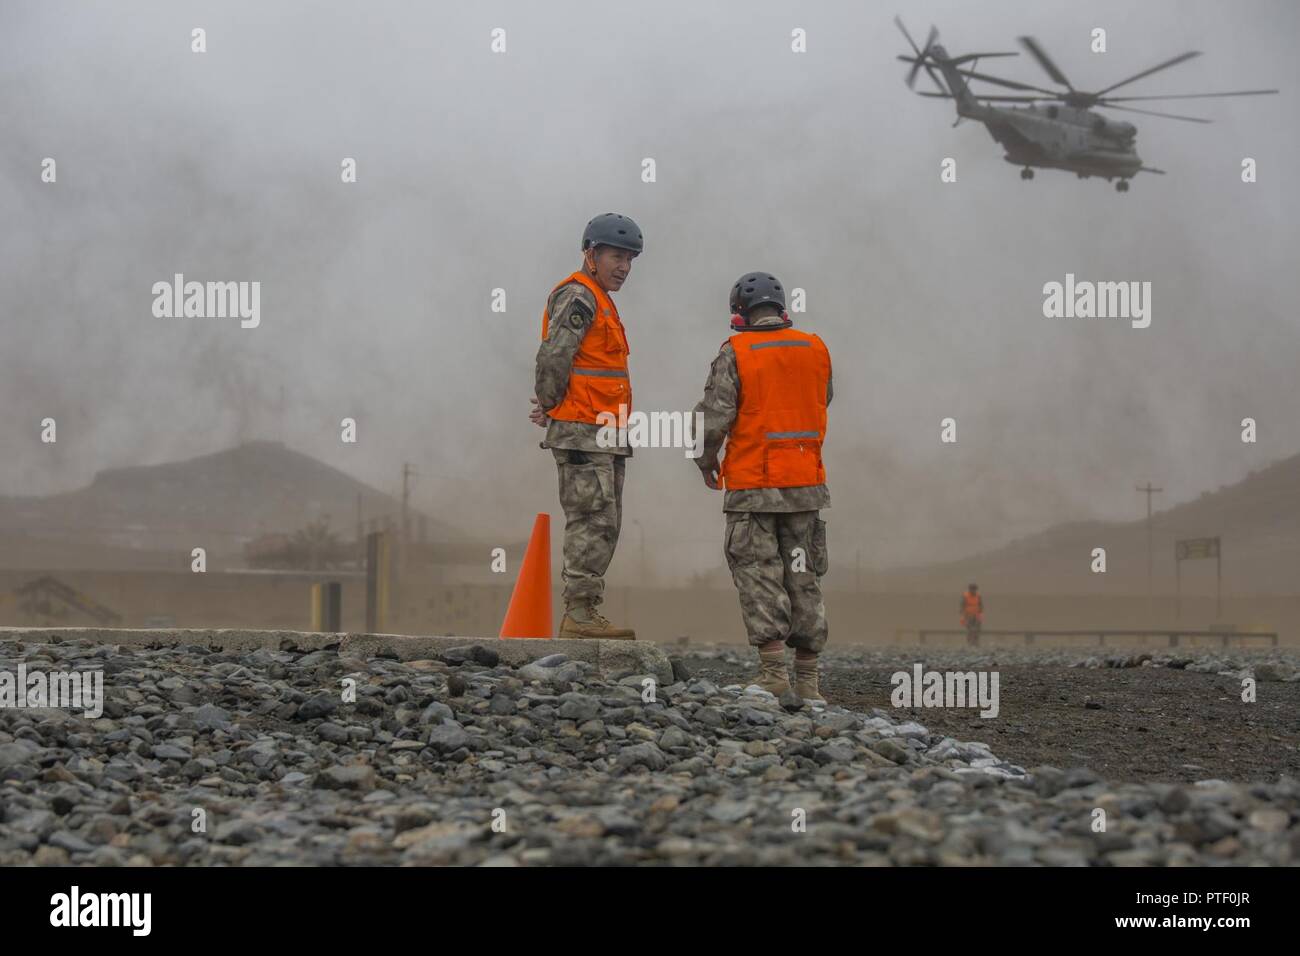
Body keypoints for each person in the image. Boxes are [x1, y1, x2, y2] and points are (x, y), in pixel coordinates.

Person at [692, 272, 832, 704]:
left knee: (758, 574)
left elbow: (713, 417)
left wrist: (705, 460)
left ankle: (774, 675)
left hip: (753, 486)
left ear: (740, 313)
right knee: (803, 576)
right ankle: (809, 685)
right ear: (781, 308)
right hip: (806, 486)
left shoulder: (735, 353)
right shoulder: (815, 348)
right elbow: (823, 398)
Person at [530, 213, 642, 639]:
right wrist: (551, 403)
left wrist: (549, 404)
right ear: (591, 254)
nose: (624, 267)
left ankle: (585, 611)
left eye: (630, 260)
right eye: (617, 256)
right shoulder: (580, 296)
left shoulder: (599, 298)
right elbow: (554, 355)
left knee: (605, 521)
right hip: (582, 428)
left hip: (604, 432)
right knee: (591, 519)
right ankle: (578, 615)